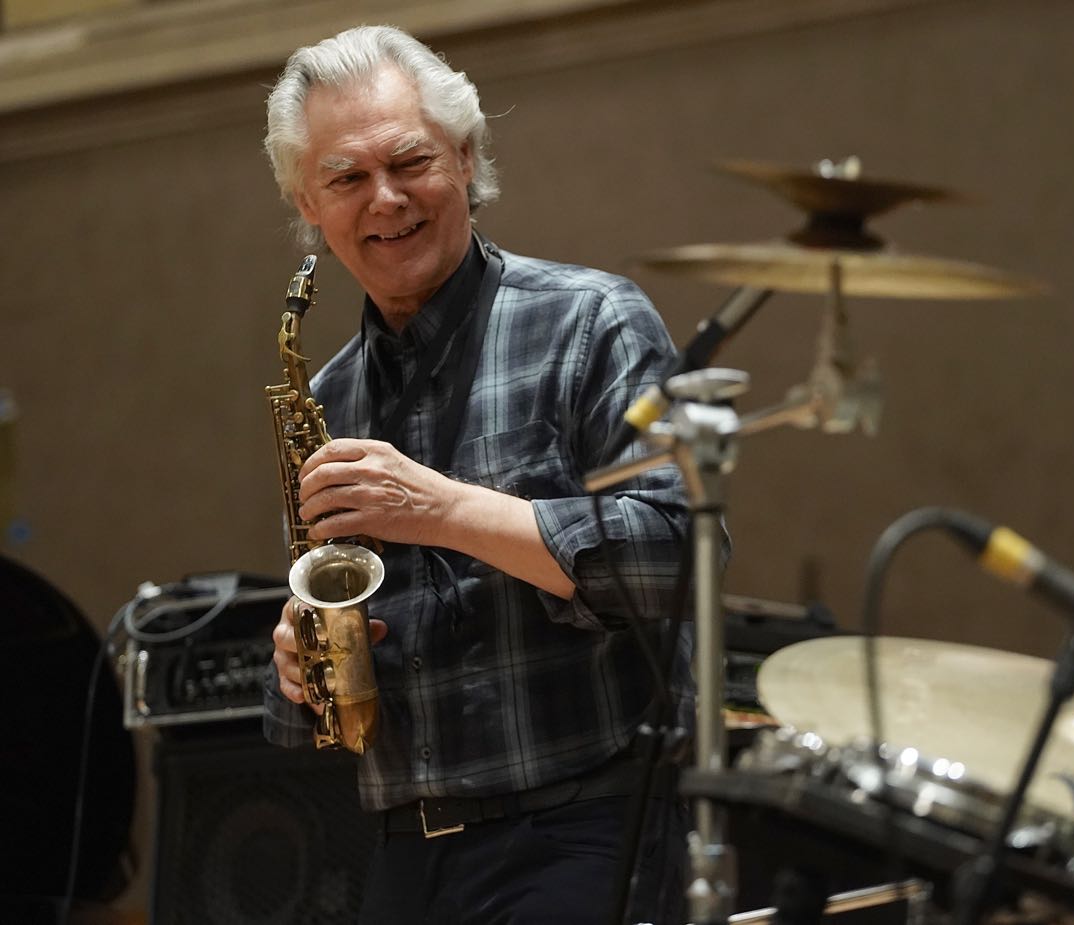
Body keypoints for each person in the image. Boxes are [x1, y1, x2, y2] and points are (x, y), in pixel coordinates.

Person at [261, 24, 696, 925]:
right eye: (346, 178)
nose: (384, 199)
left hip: (587, 828)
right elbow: (334, 691)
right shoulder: (330, 392)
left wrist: (446, 510)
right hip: (405, 853)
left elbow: (679, 559)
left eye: (410, 161)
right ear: (309, 202)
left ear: (465, 157)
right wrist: (300, 669)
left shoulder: (591, 321)